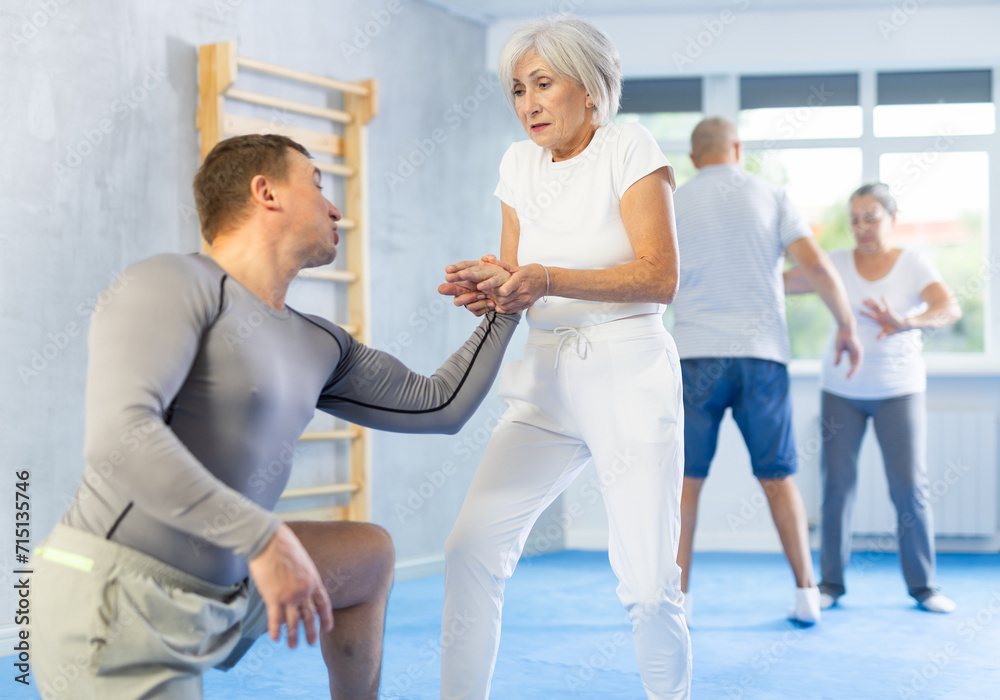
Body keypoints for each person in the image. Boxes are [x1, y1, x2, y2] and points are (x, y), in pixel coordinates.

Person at [29, 134, 522, 700]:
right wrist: (265, 540)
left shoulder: (319, 342)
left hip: (226, 583)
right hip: (115, 596)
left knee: (366, 556)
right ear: (265, 192)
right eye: (315, 183)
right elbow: (122, 436)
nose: (335, 207)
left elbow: (441, 404)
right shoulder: (169, 282)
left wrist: (504, 310)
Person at [436, 15, 691, 700]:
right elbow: (521, 277)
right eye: (518, 89)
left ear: (591, 87)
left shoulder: (629, 146)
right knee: (470, 548)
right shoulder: (517, 164)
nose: (529, 103)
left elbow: (658, 276)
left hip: (627, 371)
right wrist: (494, 285)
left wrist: (545, 277)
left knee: (645, 583)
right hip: (545, 379)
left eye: (544, 83)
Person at [671, 117, 863, 626]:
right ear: (738, 148)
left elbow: (657, 277)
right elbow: (819, 267)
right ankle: (806, 595)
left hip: (694, 355)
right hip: (761, 357)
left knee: (685, 484)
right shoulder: (771, 193)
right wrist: (847, 324)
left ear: (694, 158)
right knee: (779, 478)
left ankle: (678, 604)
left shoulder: (674, 200)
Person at [784, 183, 961, 614]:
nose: (862, 227)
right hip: (842, 390)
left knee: (909, 489)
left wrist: (908, 322)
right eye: (855, 219)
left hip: (899, 391)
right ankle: (829, 584)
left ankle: (924, 587)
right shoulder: (836, 264)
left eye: (871, 217)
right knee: (837, 487)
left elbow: (949, 308)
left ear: (891, 219)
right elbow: (778, 282)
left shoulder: (913, 263)